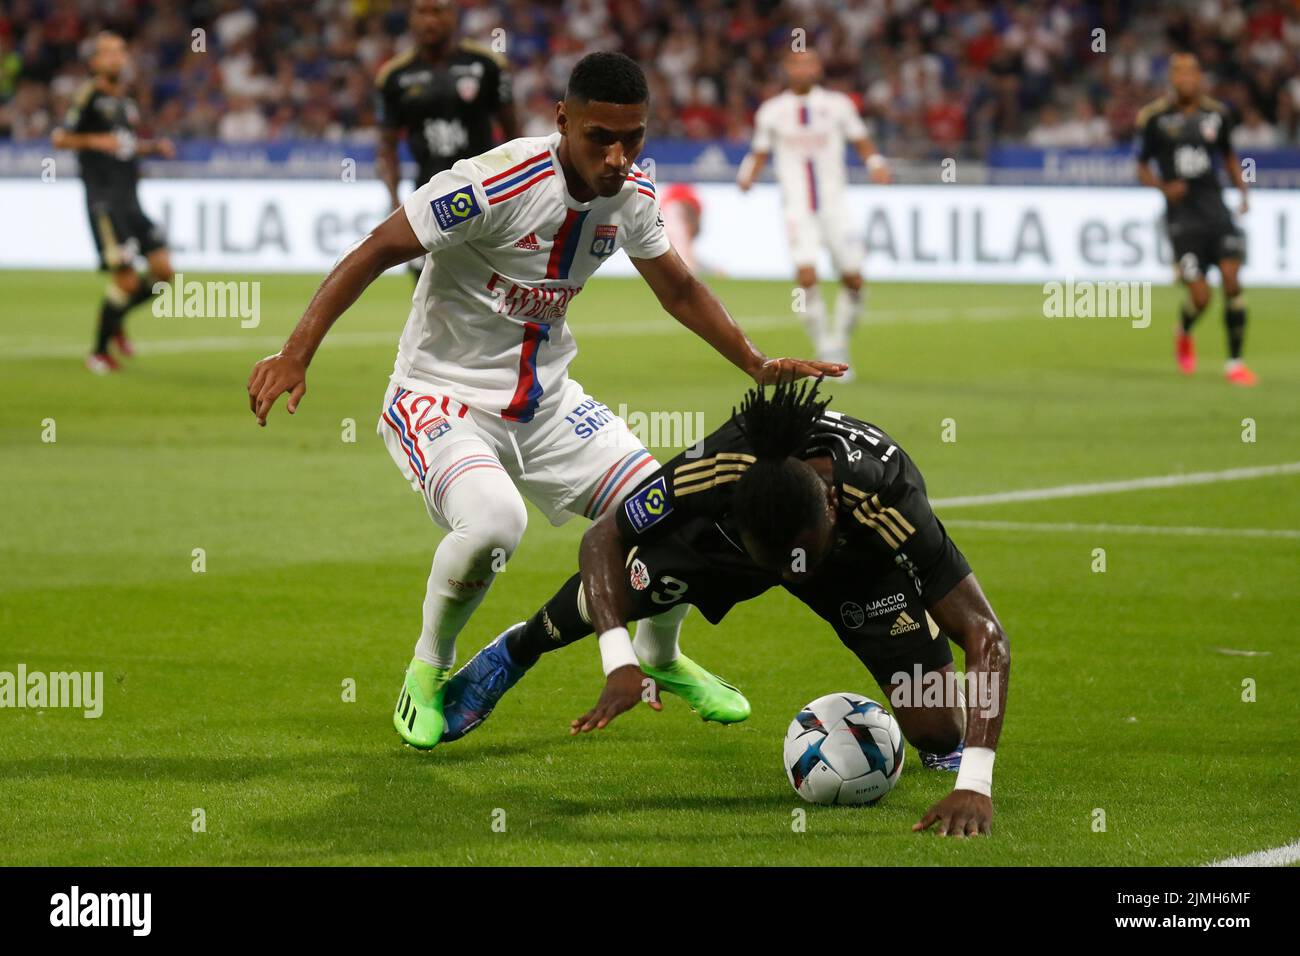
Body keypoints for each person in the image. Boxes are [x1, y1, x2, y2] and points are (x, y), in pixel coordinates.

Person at [246, 52, 844, 751]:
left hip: (550, 405)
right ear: (562, 120)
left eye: (634, 138)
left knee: (667, 510)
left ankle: (658, 654)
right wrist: (296, 352)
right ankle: (428, 668)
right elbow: (378, 247)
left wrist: (755, 361)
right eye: (601, 137)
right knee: (495, 525)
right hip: (442, 397)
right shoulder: (493, 182)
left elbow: (678, 289)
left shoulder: (633, 195)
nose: (618, 156)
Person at [439, 379, 1010, 837]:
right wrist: (619, 661)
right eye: (781, 568)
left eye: (798, 563)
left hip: (857, 567)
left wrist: (975, 783)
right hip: (729, 547)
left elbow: (986, 635)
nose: (793, 579)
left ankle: (944, 742)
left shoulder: (886, 494)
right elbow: (603, 539)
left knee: (937, 729)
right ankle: (517, 649)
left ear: (832, 504)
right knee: (622, 584)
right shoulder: (722, 467)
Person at [737, 50, 890, 382]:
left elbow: (861, 140)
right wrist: (747, 174)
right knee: (806, 277)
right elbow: (759, 151)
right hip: (797, 209)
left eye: (808, 62)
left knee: (854, 280)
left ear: (818, 68)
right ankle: (825, 348)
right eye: (795, 63)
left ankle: (840, 342)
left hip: (836, 207)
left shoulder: (838, 105)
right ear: (786, 69)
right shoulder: (772, 111)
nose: (802, 69)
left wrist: (876, 164)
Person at [51, 31, 176, 374]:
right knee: (126, 280)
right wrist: (94, 139)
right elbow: (60, 138)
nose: (117, 59)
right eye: (109, 54)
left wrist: (154, 148)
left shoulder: (126, 101)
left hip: (131, 201)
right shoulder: (89, 95)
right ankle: (98, 353)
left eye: (121, 52)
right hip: (104, 202)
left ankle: (117, 314)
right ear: (94, 62)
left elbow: (124, 144)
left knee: (164, 274)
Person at [374, 0, 519, 282]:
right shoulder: (393, 76)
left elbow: (514, 136)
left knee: (490, 294)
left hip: (484, 194)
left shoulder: (489, 65)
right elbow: (386, 147)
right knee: (430, 294)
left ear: (454, 16)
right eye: (421, 12)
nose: (430, 20)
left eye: (438, 11)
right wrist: (394, 201)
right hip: (427, 196)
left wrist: (517, 195)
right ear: (411, 18)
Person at [1136, 52, 1255, 385]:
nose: (1185, 78)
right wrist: (1162, 187)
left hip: (1216, 210)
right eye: (1179, 72)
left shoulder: (1217, 115)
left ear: (1200, 77)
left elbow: (1230, 157)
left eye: (1191, 72)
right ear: (1171, 78)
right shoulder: (1154, 118)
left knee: (1232, 280)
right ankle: (1184, 329)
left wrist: (1243, 192)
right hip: (1182, 220)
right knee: (1201, 296)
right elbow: (1141, 166)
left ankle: (1235, 364)